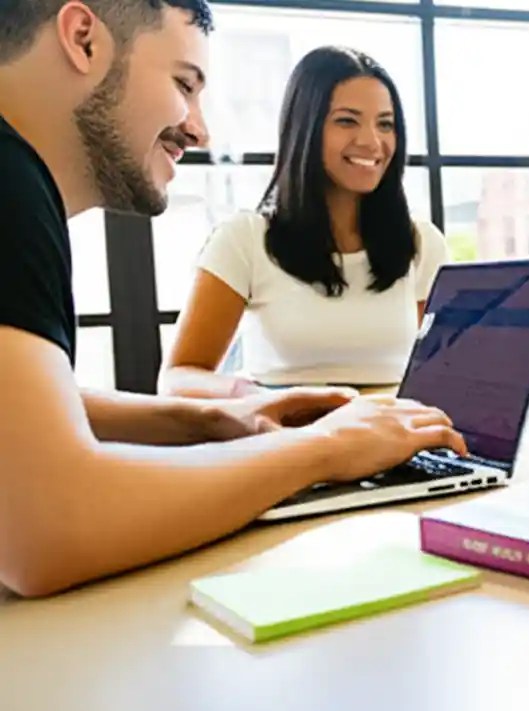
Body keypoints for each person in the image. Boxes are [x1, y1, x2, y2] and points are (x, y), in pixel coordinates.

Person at [0, 0, 464, 598]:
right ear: (83, 39)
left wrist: (213, 419)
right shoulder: (10, 191)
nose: (198, 128)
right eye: (183, 84)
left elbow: (31, 408)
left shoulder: (20, 186)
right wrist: (327, 448)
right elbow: (48, 531)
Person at [160, 47, 448, 398]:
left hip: (395, 440)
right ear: (305, 127)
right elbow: (178, 378)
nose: (372, 141)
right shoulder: (245, 240)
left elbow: (444, 372)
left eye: (385, 124)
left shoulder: (422, 244)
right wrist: (255, 398)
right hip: (287, 440)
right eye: (347, 120)